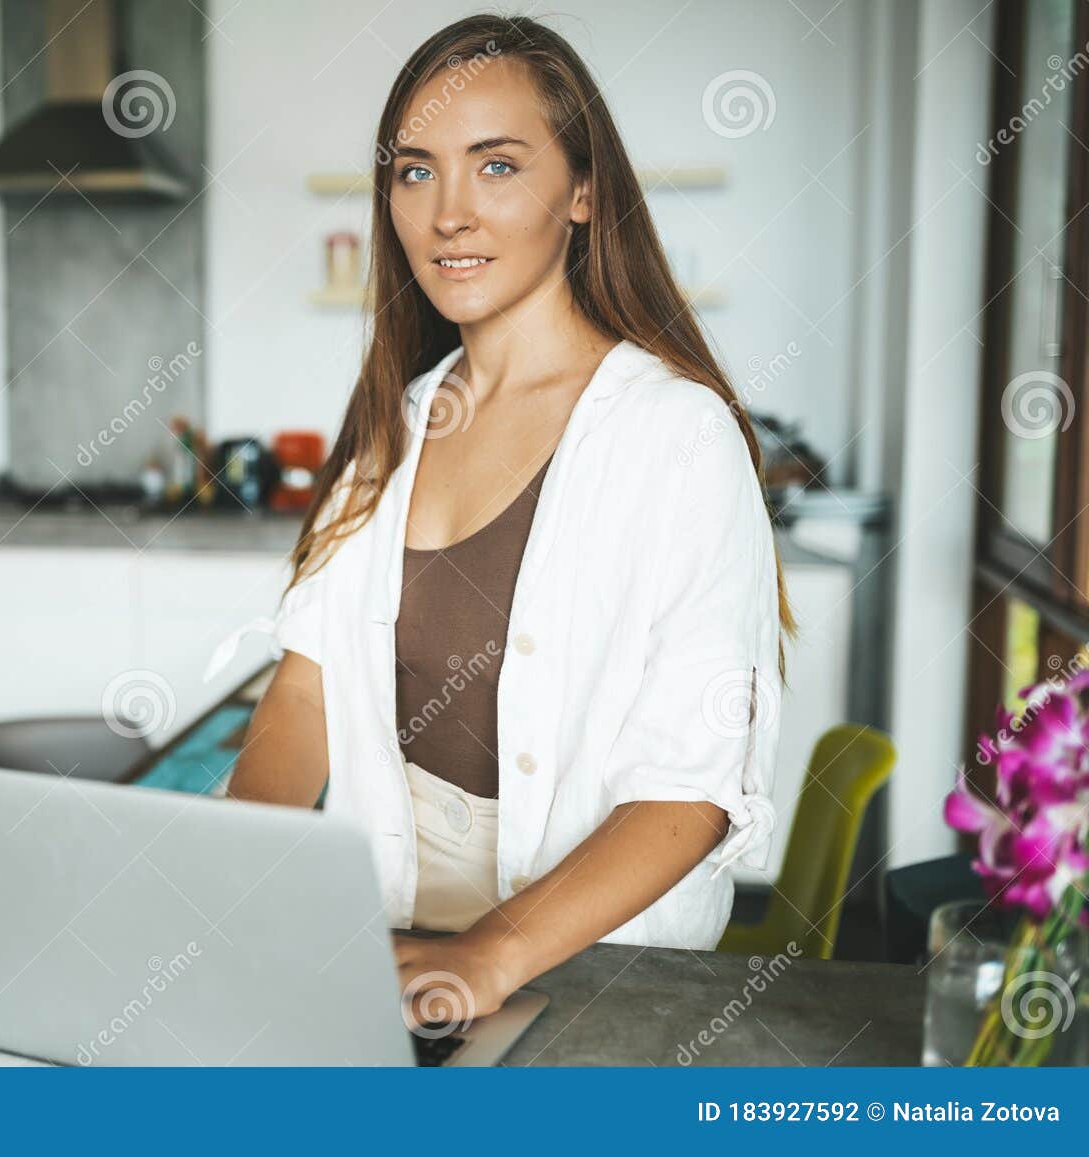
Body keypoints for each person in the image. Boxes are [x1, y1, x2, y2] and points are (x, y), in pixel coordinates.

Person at [226, 13, 793, 1026]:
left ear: (582, 192)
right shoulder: (398, 420)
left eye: (496, 166)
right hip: (382, 934)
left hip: (588, 960)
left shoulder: (676, 435)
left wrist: (485, 957)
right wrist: (231, 882)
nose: (449, 214)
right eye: (416, 172)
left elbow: (690, 791)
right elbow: (304, 692)